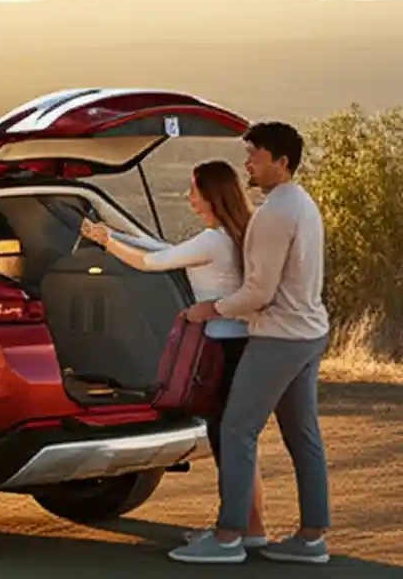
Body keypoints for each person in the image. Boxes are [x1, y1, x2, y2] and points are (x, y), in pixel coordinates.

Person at [167, 121, 332, 565]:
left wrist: (211, 309)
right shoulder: (302, 203)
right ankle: (312, 537)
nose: (248, 166)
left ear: (281, 162)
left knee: (237, 429)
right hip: (309, 333)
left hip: (278, 337)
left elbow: (259, 292)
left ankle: (227, 538)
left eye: (255, 157)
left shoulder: (275, 212)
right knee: (303, 435)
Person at [80, 159, 267, 547]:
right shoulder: (236, 234)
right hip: (246, 343)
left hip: (222, 347)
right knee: (241, 441)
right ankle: (251, 528)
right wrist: (114, 232)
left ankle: (230, 533)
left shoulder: (212, 241)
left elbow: (152, 262)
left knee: (226, 438)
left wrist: (108, 243)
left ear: (212, 197)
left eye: (194, 192)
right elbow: (168, 249)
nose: (189, 199)